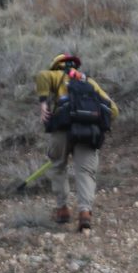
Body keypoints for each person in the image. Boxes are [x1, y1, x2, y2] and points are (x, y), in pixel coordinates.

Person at [35, 51, 117, 231]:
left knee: (58, 166)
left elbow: (41, 76)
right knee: (86, 172)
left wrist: (43, 103)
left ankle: (62, 209)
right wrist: (97, 126)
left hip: (61, 130)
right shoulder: (89, 82)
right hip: (88, 132)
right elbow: (114, 110)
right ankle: (85, 212)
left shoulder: (57, 76)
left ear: (56, 65)